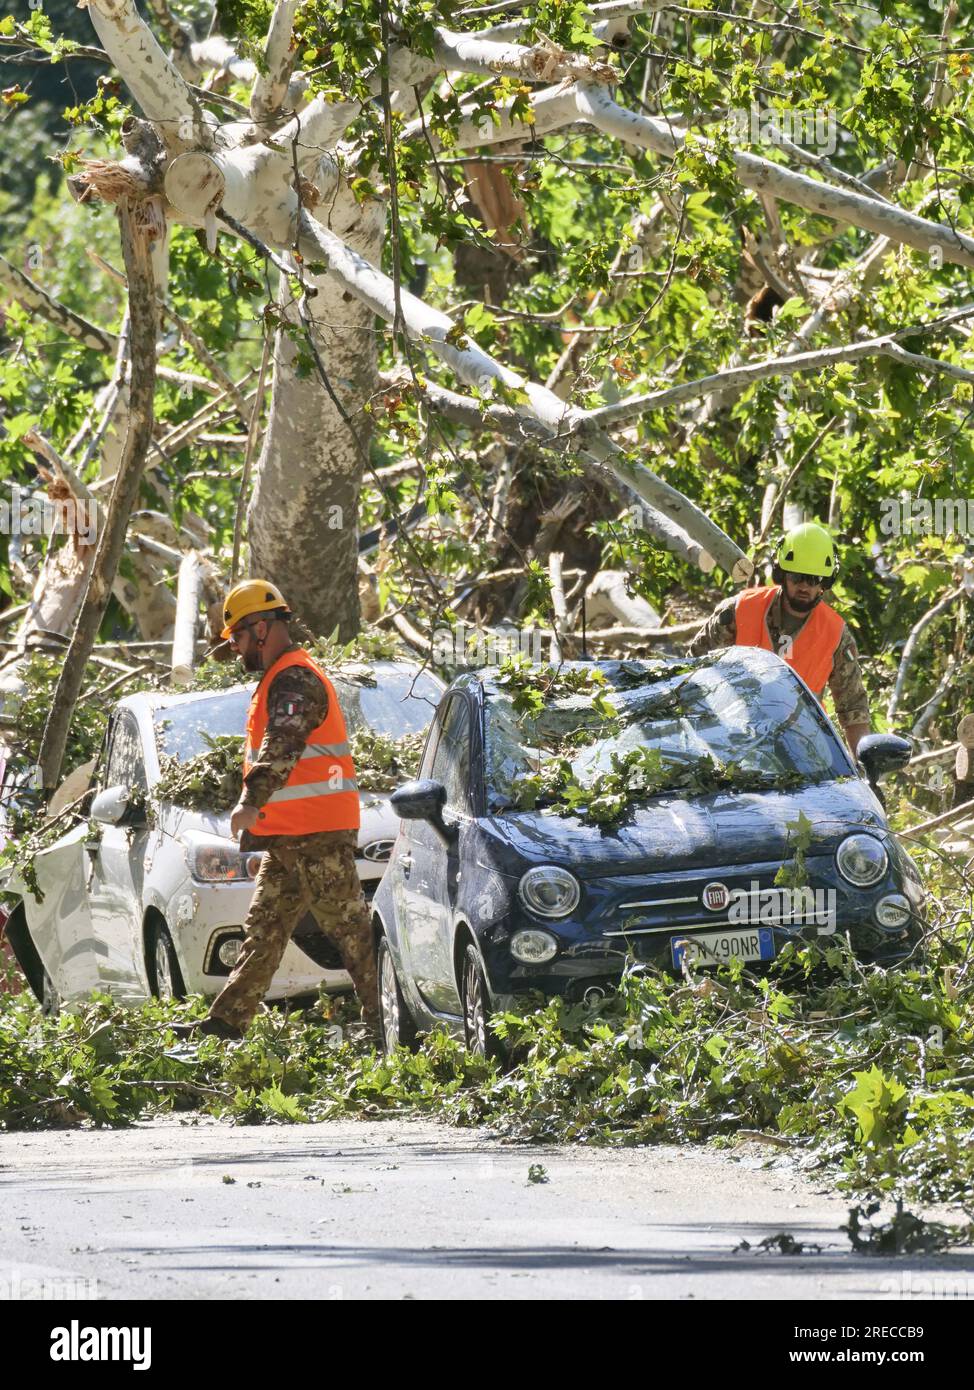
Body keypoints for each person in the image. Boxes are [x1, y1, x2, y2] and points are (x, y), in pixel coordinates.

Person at [174, 580, 378, 1041]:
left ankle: (391, 1022)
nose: (238, 651)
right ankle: (225, 1025)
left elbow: (283, 745)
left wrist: (250, 803)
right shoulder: (280, 677)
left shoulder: (295, 679)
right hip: (290, 837)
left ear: (261, 628)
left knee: (352, 934)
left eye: (239, 639)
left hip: (317, 834)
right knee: (264, 930)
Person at [687, 522, 871, 754]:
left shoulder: (835, 634)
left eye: (813, 580)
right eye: (797, 577)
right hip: (731, 740)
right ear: (782, 574)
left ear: (825, 582)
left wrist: (866, 764)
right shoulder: (738, 610)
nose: (804, 586)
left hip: (802, 749)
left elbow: (853, 709)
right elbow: (692, 673)